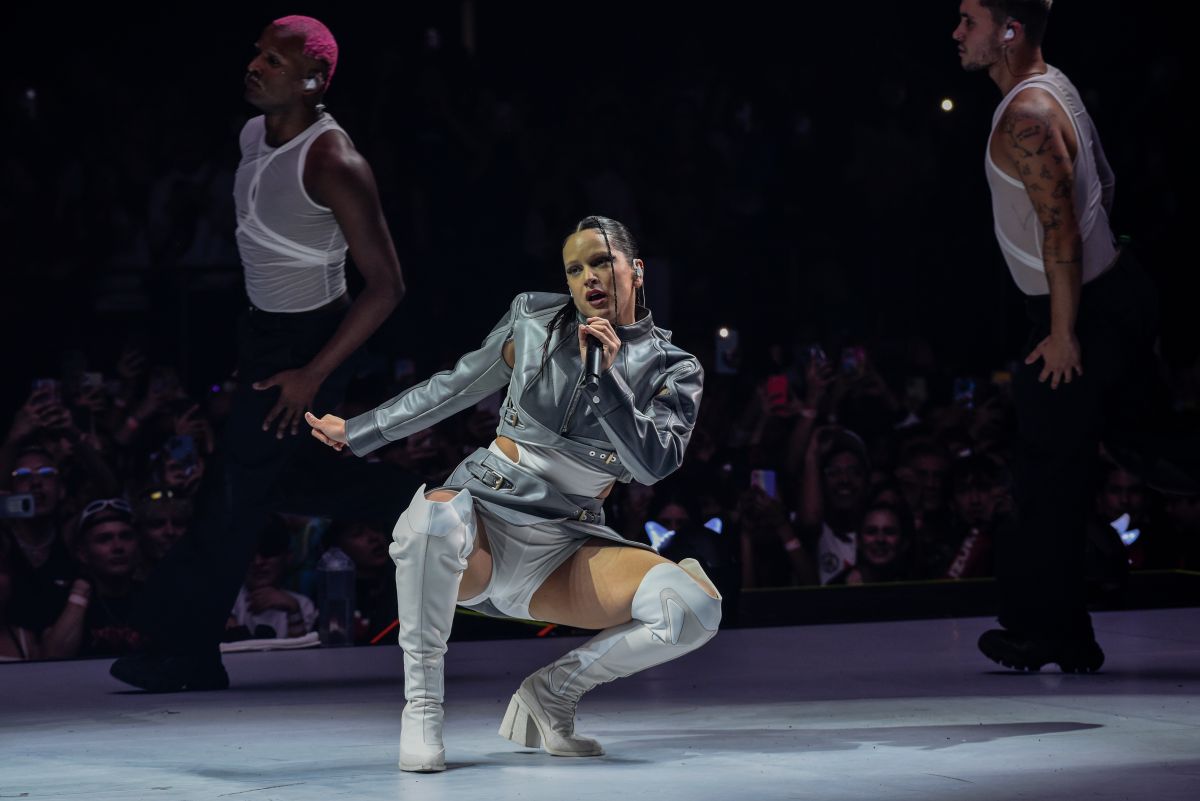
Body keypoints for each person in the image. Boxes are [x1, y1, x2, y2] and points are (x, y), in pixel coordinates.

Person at [307, 216, 721, 772]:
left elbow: (652, 466)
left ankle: (552, 694)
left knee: (692, 608)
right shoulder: (533, 319)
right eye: (574, 269)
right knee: (429, 518)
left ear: (636, 270)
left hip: (565, 547)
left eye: (601, 262)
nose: (588, 278)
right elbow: (456, 385)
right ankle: (423, 711)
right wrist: (360, 431)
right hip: (483, 522)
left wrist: (608, 382)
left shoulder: (675, 367)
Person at [110, 15, 414, 692]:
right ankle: (421, 499)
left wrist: (312, 374)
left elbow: (387, 286)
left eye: (274, 61)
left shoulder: (334, 162)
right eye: (258, 53)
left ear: (313, 80)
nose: (254, 65)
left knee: (234, 489)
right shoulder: (252, 134)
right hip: (264, 334)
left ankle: (186, 652)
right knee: (273, 479)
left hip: (313, 343)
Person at [953, 0, 1160, 672]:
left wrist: (1065, 331)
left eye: (970, 21)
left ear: (1009, 32)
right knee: (1147, 444)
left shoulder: (1029, 115)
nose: (957, 33)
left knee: (1048, 474)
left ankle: (1052, 633)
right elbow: (1105, 183)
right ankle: (1058, 630)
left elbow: (1061, 229)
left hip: (1077, 312)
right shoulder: (1052, 85)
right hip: (1106, 295)